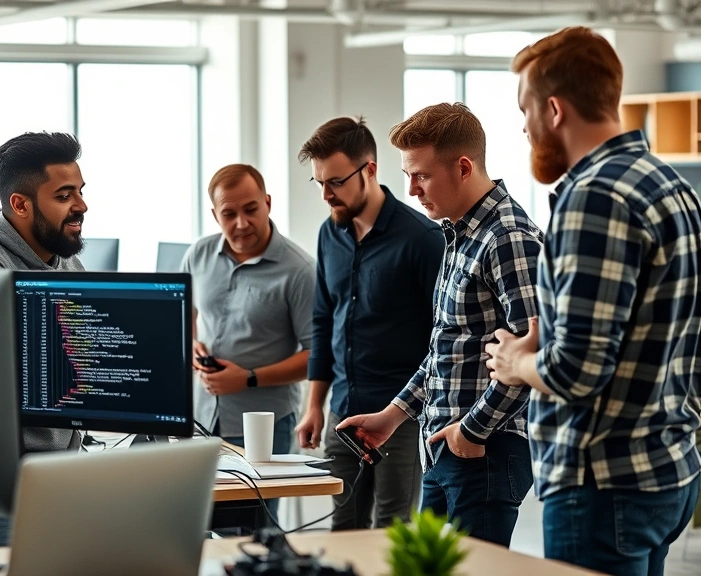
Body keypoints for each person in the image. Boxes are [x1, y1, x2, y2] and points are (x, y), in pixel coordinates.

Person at [485, 26, 701, 576]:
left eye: (525, 110)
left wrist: (516, 362)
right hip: (669, 471)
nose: (523, 127)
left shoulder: (593, 197)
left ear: (554, 109)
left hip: (602, 484)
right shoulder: (670, 185)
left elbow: (579, 370)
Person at [337, 103, 542, 547]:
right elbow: (446, 350)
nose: (410, 190)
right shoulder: (457, 232)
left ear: (463, 167)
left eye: (421, 176)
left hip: (483, 449)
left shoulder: (508, 238)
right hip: (444, 446)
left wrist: (472, 430)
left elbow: (533, 355)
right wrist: (391, 417)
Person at [295, 116, 444, 530]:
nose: (326, 195)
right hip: (343, 413)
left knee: (389, 532)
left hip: (400, 417)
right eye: (319, 184)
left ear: (370, 170)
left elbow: (444, 337)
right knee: (342, 532)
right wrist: (313, 406)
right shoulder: (330, 235)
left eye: (336, 182)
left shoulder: (421, 239)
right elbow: (324, 322)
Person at [0, 131, 88, 548]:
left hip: (55, 475)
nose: (81, 205)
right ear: (20, 204)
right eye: (64, 196)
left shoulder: (69, 264)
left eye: (80, 191)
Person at [183, 164, 316, 522]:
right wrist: (192, 343)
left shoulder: (300, 270)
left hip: (263, 428)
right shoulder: (198, 254)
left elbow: (317, 355)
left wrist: (249, 378)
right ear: (215, 215)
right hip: (200, 419)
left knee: (251, 535)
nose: (241, 223)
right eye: (229, 214)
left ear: (268, 203)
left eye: (250, 209)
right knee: (196, 526)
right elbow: (186, 316)